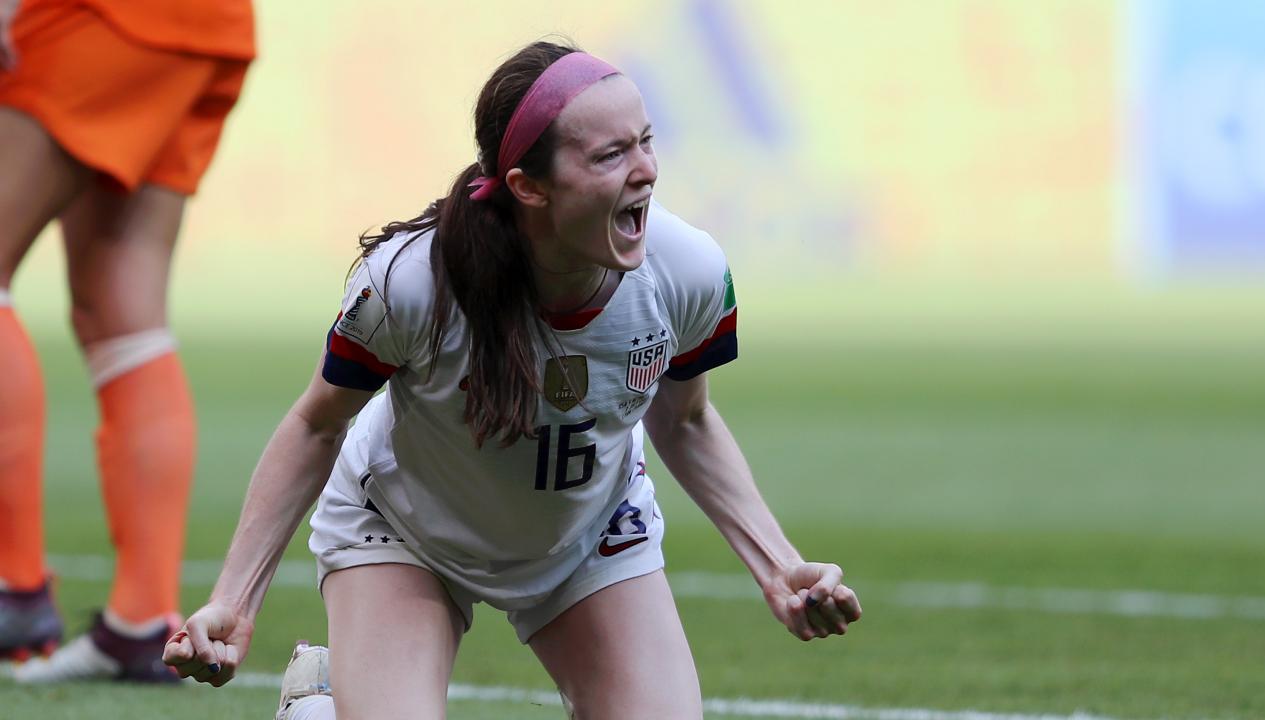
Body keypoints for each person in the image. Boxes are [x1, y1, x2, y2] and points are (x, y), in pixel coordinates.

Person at [163, 40, 861, 719]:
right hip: (405, 533)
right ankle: (321, 707)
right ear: (529, 187)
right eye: (610, 154)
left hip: (590, 534)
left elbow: (684, 420)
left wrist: (779, 567)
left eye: (646, 141)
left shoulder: (689, 271)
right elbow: (317, 423)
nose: (645, 170)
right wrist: (236, 598)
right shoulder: (412, 285)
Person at [0, 0, 254, 682]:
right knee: (121, 311)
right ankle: (141, 625)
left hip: (105, 15)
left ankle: (12, 583)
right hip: (212, 24)